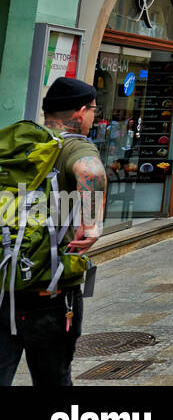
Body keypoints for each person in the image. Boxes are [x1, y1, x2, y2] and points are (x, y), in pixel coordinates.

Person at [0, 77, 107, 387]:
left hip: (4, 281)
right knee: (53, 379)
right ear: (80, 112)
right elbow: (90, 171)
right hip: (49, 288)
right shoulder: (72, 144)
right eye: (93, 110)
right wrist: (91, 223)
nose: (93, 117)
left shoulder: (22, 144)